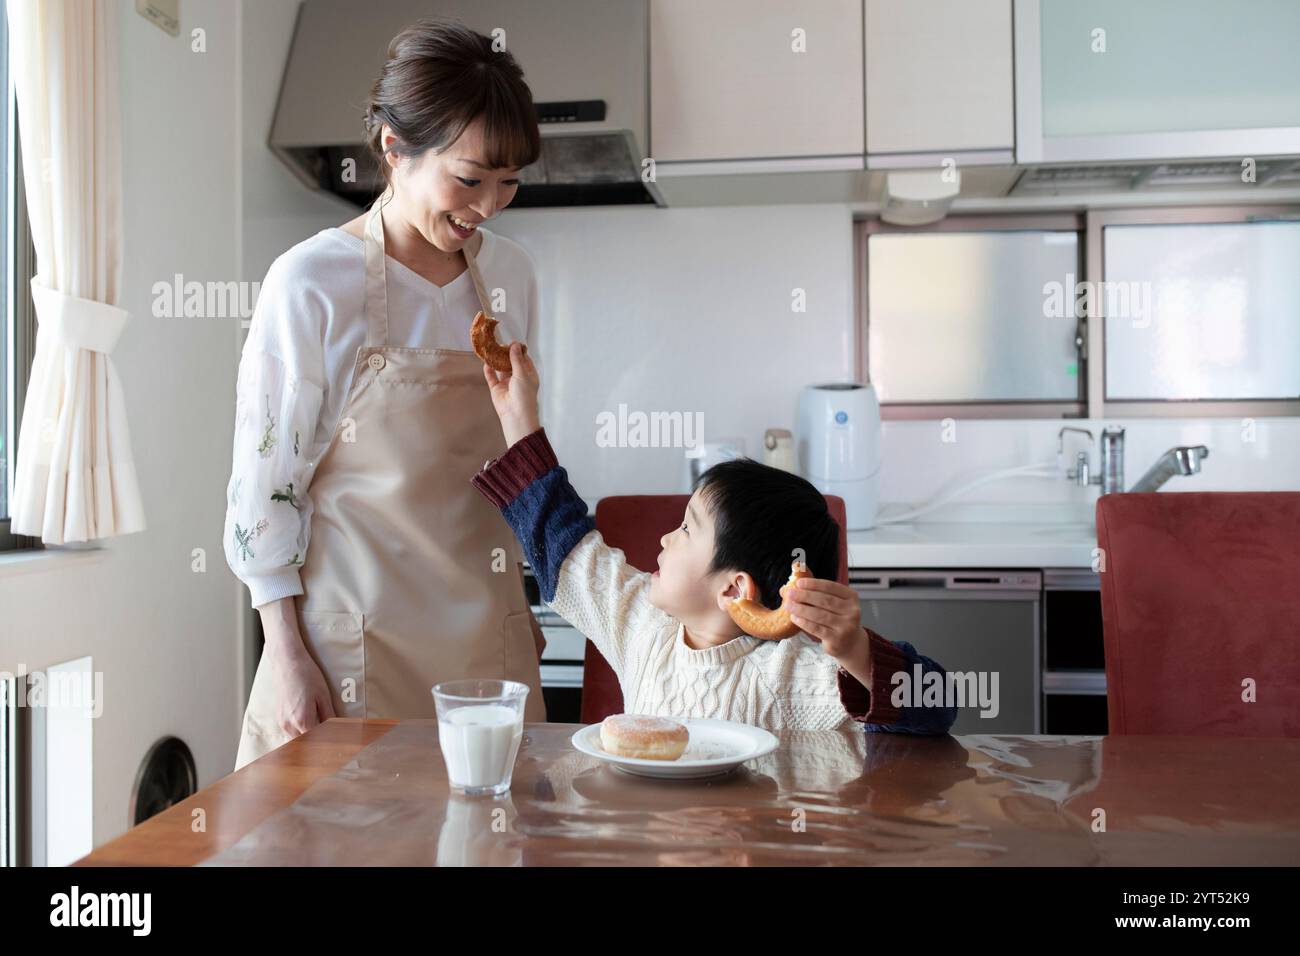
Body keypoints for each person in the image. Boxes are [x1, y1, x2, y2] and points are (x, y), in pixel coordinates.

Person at [225, 20, 548, 769]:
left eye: (510, 181)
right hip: (351, 648)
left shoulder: (513, 277)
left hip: (487, 644)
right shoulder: (311, 281)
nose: (491, 205)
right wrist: (284, 654)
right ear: (395, 148)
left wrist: (523, 605)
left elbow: (517, 456)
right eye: (470, 178)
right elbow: (264, 490)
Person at [471, 343, 958, 734]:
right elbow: (563, 542)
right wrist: (519, 418)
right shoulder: (639, 625)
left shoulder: (789, 674)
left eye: (686, 528)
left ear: (732, 589)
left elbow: (937, 706)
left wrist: (857, 651)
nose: (664, 538)